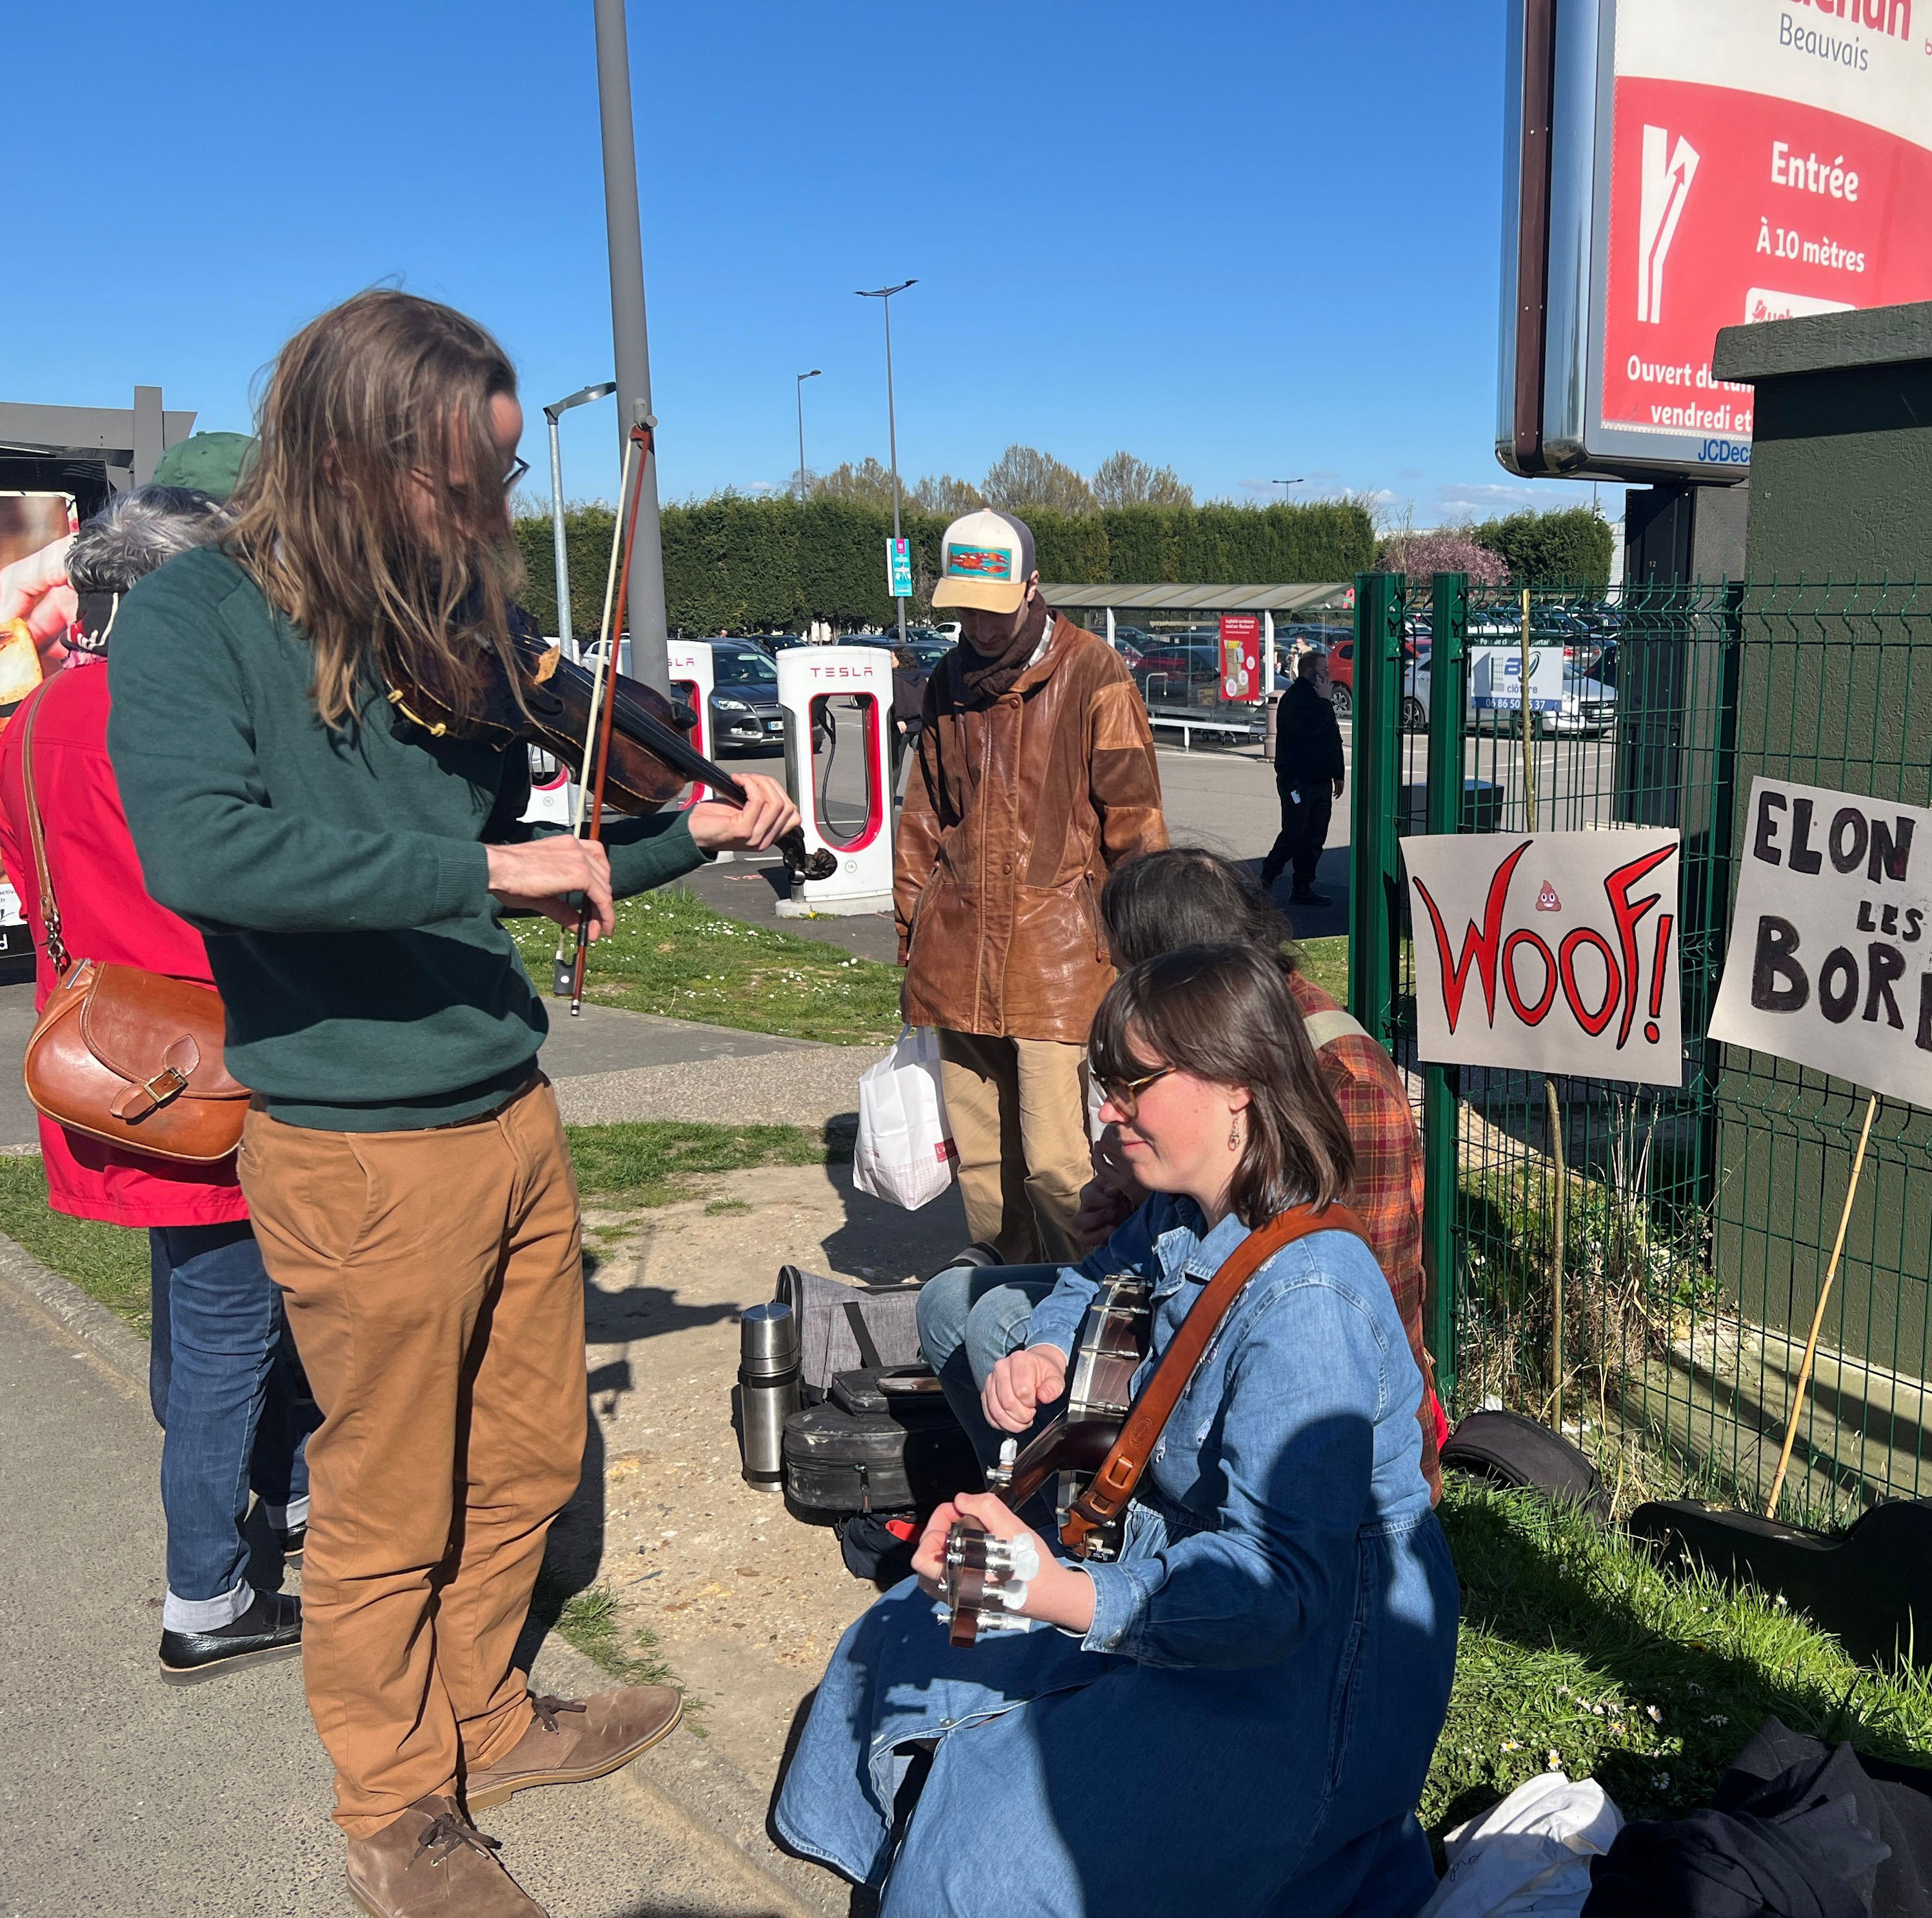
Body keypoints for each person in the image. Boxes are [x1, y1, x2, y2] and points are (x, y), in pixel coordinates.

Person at [108, 290, 801, 1918]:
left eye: (501, 474)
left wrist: (684, 838)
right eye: (467, 476)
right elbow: (213, 855)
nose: (491, 513)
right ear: (351, 449)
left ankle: (485, 1707)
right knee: (384, 1493)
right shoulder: (195, 619)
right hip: (356, 1145)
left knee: (525, 1456)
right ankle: (398, 1801)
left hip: (505, 1110)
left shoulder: (445, 633)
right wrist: (496, 859)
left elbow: (527, 884)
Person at [775, 943, 1458, 1915]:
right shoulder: (1180, 1208)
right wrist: (1049, 1351)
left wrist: (1053, 1590)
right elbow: (1097, 1281)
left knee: (985, 1852)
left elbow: (1278, 1593)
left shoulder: (1310, 1302)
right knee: (890, 1642)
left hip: (1310, 1685)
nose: (1105, 1110)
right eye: (1106, 1080)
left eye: (1134, 1082)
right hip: (1175, 1589)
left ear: (1238, 1085)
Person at [0, 477, 323, 1685]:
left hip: (98, 1063)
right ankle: (206, 1589)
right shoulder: (185, 713)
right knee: (232, 1332)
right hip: (210, 1066)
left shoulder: (29, 724)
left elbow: (35, 884)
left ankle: (285, 1498)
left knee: (203, 1314)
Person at [920, 845, 1446, 1489]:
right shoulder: (1207, 1055)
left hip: (1291, 1386)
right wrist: (1127, 1201)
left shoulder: (1343, 1078)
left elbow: (1356, 1306)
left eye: (1128, 971)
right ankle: (1035, 1502)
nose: (1119, 992)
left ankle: (1072, 1529)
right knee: (951, 1300)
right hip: (1188, 1299)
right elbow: (1133, 1254)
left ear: (1187, 973)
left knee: (998, 1318)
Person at [899, 506, 1166, 1266]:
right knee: (984, 1172)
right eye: (965, 609)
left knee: (1058, 1163)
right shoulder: (948, 680)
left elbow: (1135, 821)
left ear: (1032, 587)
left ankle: (1095, 1299)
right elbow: (923, 819)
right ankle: (1004, 1310)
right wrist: (910, 934)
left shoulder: (1094, 672)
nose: (978, 625)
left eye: (992, 606)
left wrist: (1146, 957)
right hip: (955, 958)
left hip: (1061, 962)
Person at [1260, 646, 1343, 904]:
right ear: (1309, 673)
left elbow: (1333, 738)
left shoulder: (1321, 698)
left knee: (1316, 835)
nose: (1329, 675)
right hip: (1296, 781)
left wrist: (1338, 774)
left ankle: (1303, 886)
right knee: (1295, 831)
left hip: (1320, 780)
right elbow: (1308, 733)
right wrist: (1323, 702)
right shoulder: (1296, 699)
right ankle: (1265, 880)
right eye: (1324, 670)